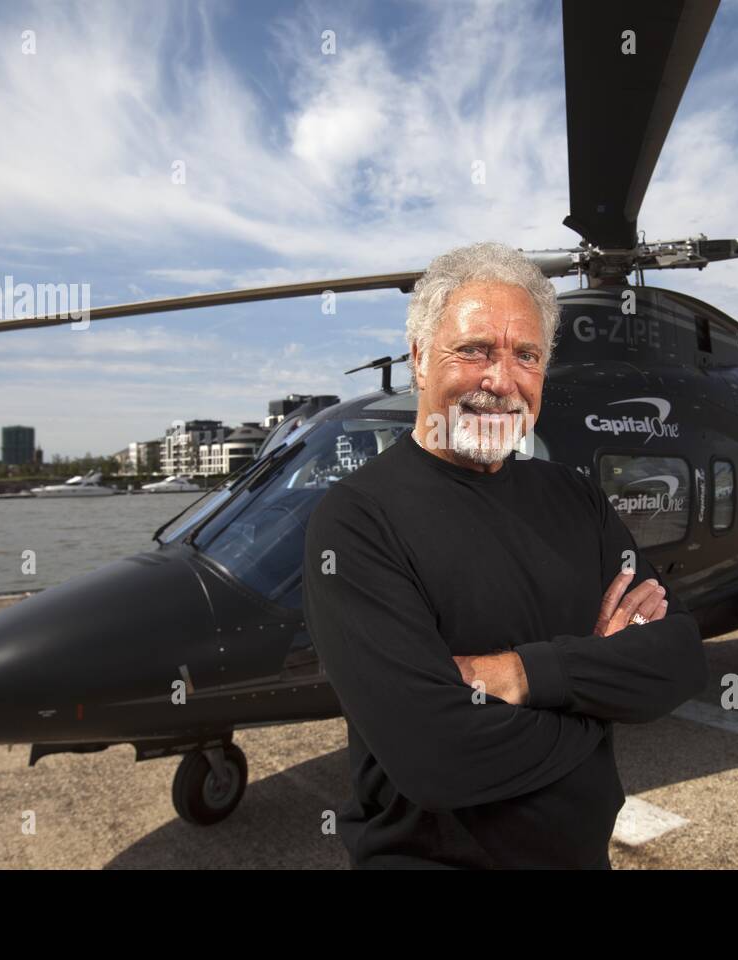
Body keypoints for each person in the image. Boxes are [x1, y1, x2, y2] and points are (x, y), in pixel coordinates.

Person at [302, 241, 707, 868]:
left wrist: (524, 676)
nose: (501, 381)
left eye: (526, 355)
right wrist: (601, 691)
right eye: (474, 350)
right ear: (417, 358)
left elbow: (678, 657)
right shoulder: (358, 521)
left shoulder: (575, 498)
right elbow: (437, 755)